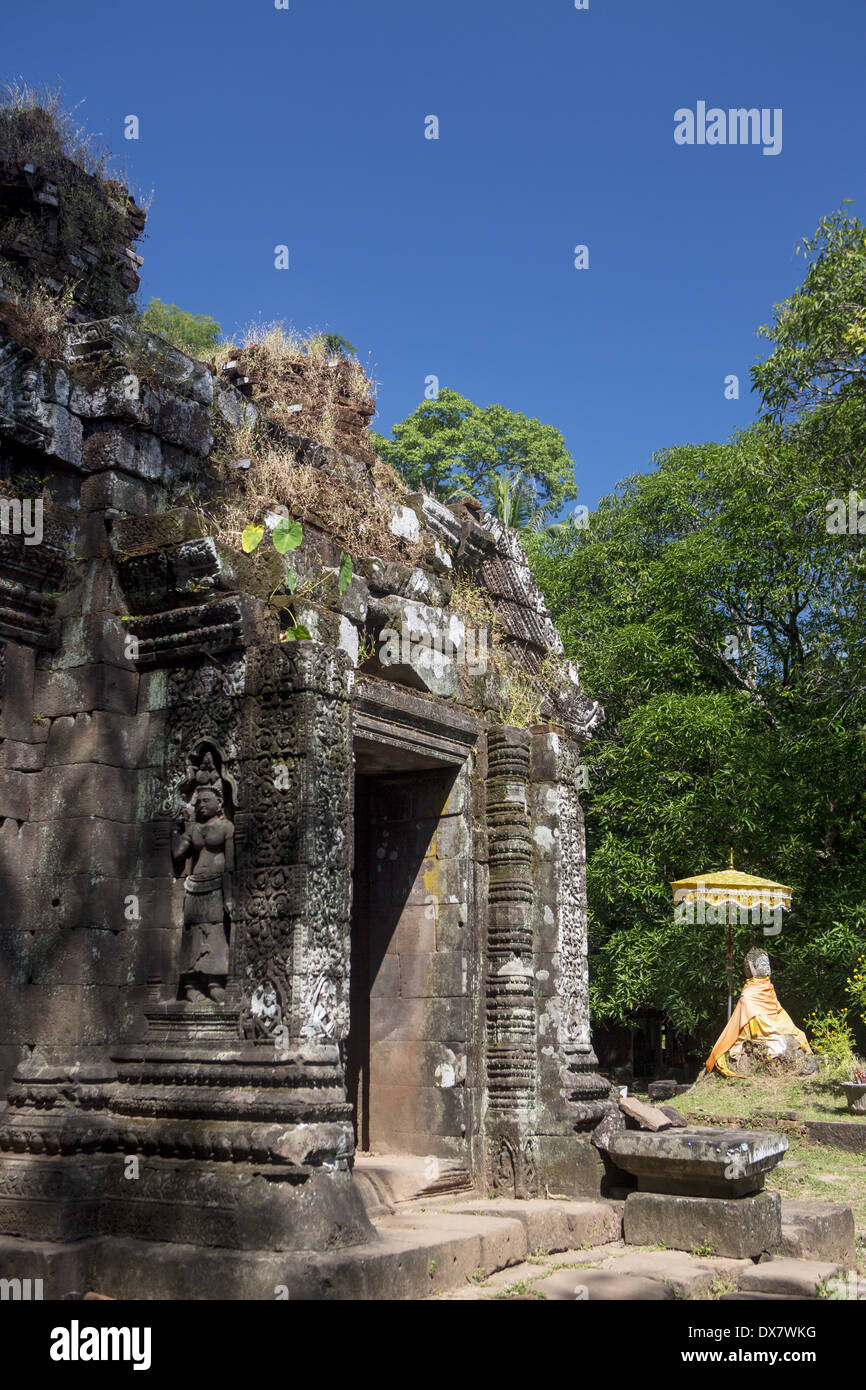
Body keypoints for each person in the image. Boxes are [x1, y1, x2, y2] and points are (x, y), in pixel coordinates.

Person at [172, 783, 234, 1003]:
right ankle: (190, 984)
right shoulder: (194, 829)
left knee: (215, 931)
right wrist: (174, 827)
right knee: (192, 932)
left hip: (216, 885)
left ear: (219, 804)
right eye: (198, 802)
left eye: (206, 801)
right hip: (194, 885)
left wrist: (229, 896)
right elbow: (178, 854)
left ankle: (214, 982)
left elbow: (231, 865)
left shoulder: (226, 828)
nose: (201, 805)